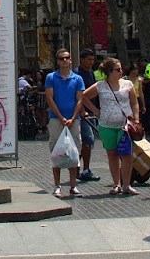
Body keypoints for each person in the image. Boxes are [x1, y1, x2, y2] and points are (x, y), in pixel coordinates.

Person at [79, 56, 139, 195]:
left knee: (126, 154)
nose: (121, 72)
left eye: (121, 69)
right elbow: (84, 96)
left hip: (125, 125)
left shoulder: (128, 84)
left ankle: (126, 185)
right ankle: (116, 184)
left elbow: (134, 102)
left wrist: (136, 119)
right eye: (118, 70)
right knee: (112, 155)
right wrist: (96, 111)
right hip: (107, 125)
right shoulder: (100, 86)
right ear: (109, 72)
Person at [43, 49, 84, 198]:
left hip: (73, 119)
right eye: (62, 58)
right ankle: (57, 185)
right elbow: (49, 98)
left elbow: (80, 99)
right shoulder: (51, 77)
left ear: (71, 60)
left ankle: (73, 185)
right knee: (56, 152)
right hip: (56, 119)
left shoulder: (77, 79)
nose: (65, 61)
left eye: (67, 58)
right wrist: (61, 117)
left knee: (74, 151)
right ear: (58, 61)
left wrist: (73, 117)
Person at [75, 49, 100, 183]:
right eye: (89, 60)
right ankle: (83, 169)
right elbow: (78, 95)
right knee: (88, 139)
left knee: (89, 142)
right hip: (82, 112)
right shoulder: (77, 74)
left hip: (92, 112)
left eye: (92, 60)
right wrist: (82, 110)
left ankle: (78, 167)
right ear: (82, 60)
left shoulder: (91, 73)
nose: (91, 62)